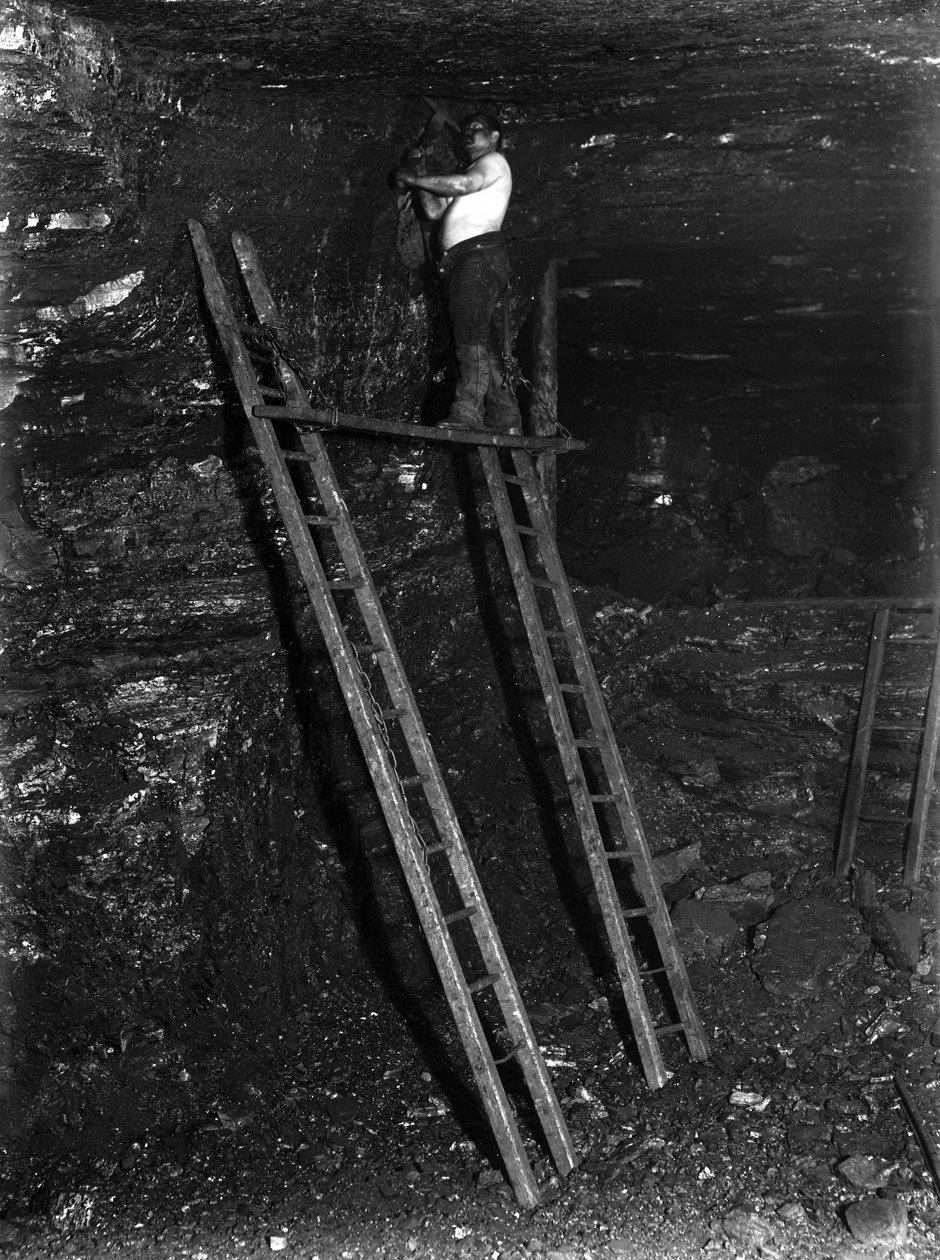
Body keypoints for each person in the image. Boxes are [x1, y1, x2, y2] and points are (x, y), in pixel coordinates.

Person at [396, 114, 522, 434]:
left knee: (468, 335)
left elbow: (464, 186)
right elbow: (434, 210)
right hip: (464, 259)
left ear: (495, 136)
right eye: (466, 130)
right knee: (477, 335)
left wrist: (412, 180)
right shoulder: (470, 171)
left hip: (479, 256)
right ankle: (505, 414)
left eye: (477, 129)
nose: (468, 133)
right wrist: (421, 171)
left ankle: (467, 412)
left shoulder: (493, 162)